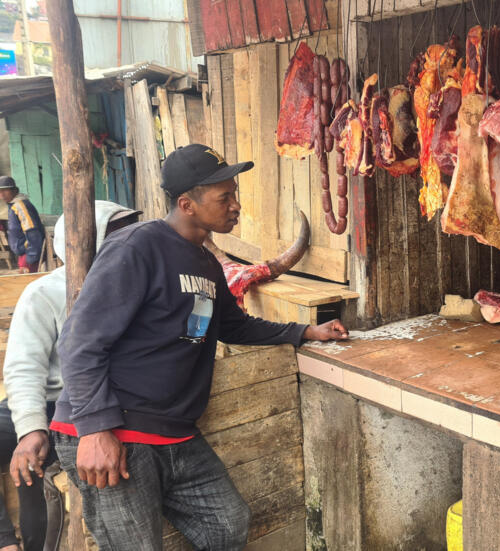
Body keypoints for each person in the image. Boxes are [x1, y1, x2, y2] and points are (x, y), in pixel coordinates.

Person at [50, 144, 349, 551]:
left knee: (227, 525)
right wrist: (95, 429)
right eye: (224, 197)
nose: (236, 205)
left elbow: (231, 325)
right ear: (187, 204)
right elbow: (78, 342)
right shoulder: (136, 248)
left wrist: (303, 333)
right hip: (116, 429)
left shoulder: (205, 263)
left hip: (173, 433)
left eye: (234, 193)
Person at [0, 201, 141, 551]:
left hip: (99, 404)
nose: (128, 241)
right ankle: (7, 540)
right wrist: (31, 427)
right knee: (27, 456)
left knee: (37, 472)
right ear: (84, 241)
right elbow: (23, 369)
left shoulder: (136, 285)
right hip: (50, 402)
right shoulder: (44, 293)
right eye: (115, 233)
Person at [0, 177, 45, 274]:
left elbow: (32, 231)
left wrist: (31, 257)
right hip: (23, 254)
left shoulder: (20, 206)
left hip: (29, 255)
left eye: (5, 191)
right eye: (0, 191)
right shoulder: (12, 205)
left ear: (14, 190)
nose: (1, 195)